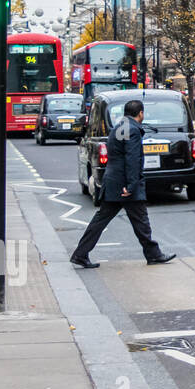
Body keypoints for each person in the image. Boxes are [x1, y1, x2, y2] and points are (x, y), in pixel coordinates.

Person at [69, 100, 175, 269]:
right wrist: (132, 185)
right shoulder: (132, 130)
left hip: (114, 182)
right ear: (140, 113)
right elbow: (132, 159)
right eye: (143, 113)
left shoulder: (120, 127)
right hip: (124, 184)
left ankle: (80, 254)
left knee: (103, 220)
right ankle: (153, 254)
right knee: (141, 220)